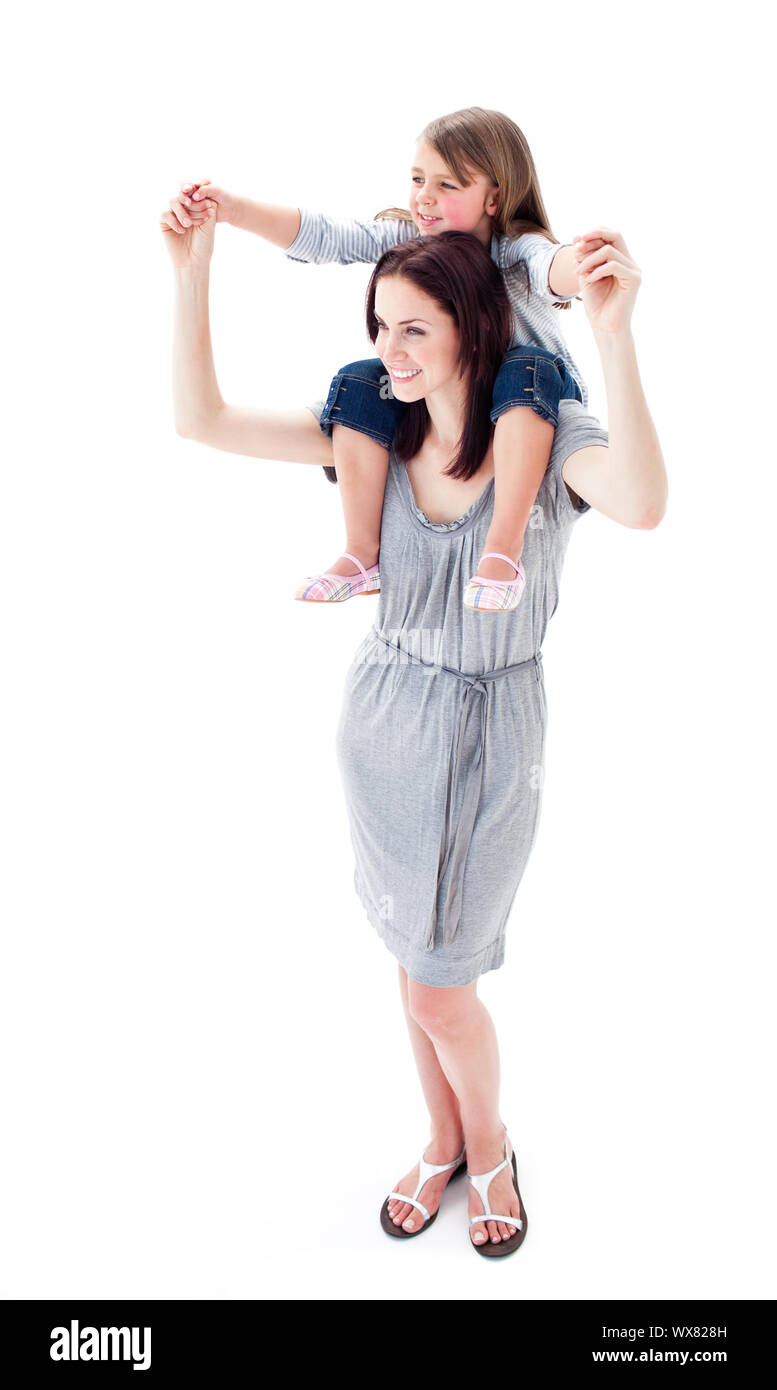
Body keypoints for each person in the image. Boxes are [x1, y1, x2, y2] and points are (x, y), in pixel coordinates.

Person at [160, 190, 666, 1257]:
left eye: (414, 331)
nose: (389, 352)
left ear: (476, 330)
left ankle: (489, 1146)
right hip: (384, 718)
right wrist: (191, 268)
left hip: (491, 736)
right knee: (414, 961)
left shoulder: (548, 431)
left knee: (443, 983)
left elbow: (642, 499)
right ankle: (439, 1132)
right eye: (379, 328)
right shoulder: (372, 437)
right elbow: (198, 420)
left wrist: (616, 342)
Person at [166, 106, 613, 613]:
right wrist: (233, 210)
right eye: (419, 178)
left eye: (448, 185)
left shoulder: (515, 250)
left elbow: (552, 267)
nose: (425, 196)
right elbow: (330, 237)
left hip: (530, 400)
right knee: (361, 379)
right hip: (449, 400)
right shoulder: (411, 243)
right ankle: (362, 553)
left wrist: (588, 265)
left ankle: (502, 550)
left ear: (494, 197)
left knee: (522, 366)